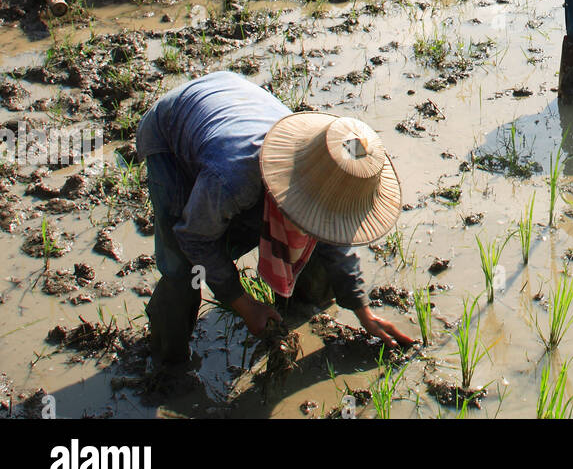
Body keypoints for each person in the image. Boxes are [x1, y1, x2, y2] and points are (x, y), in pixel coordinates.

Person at [136, 71, 414, 373]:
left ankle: (301, 308)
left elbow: (334, 238)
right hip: (172, 132)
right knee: (184, 264)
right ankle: (168, 362)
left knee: (313, 234)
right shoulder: (233, 180)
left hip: (234, 104)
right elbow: (193, 238)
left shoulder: (326, 169)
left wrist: (363, 311)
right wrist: (243, 304)